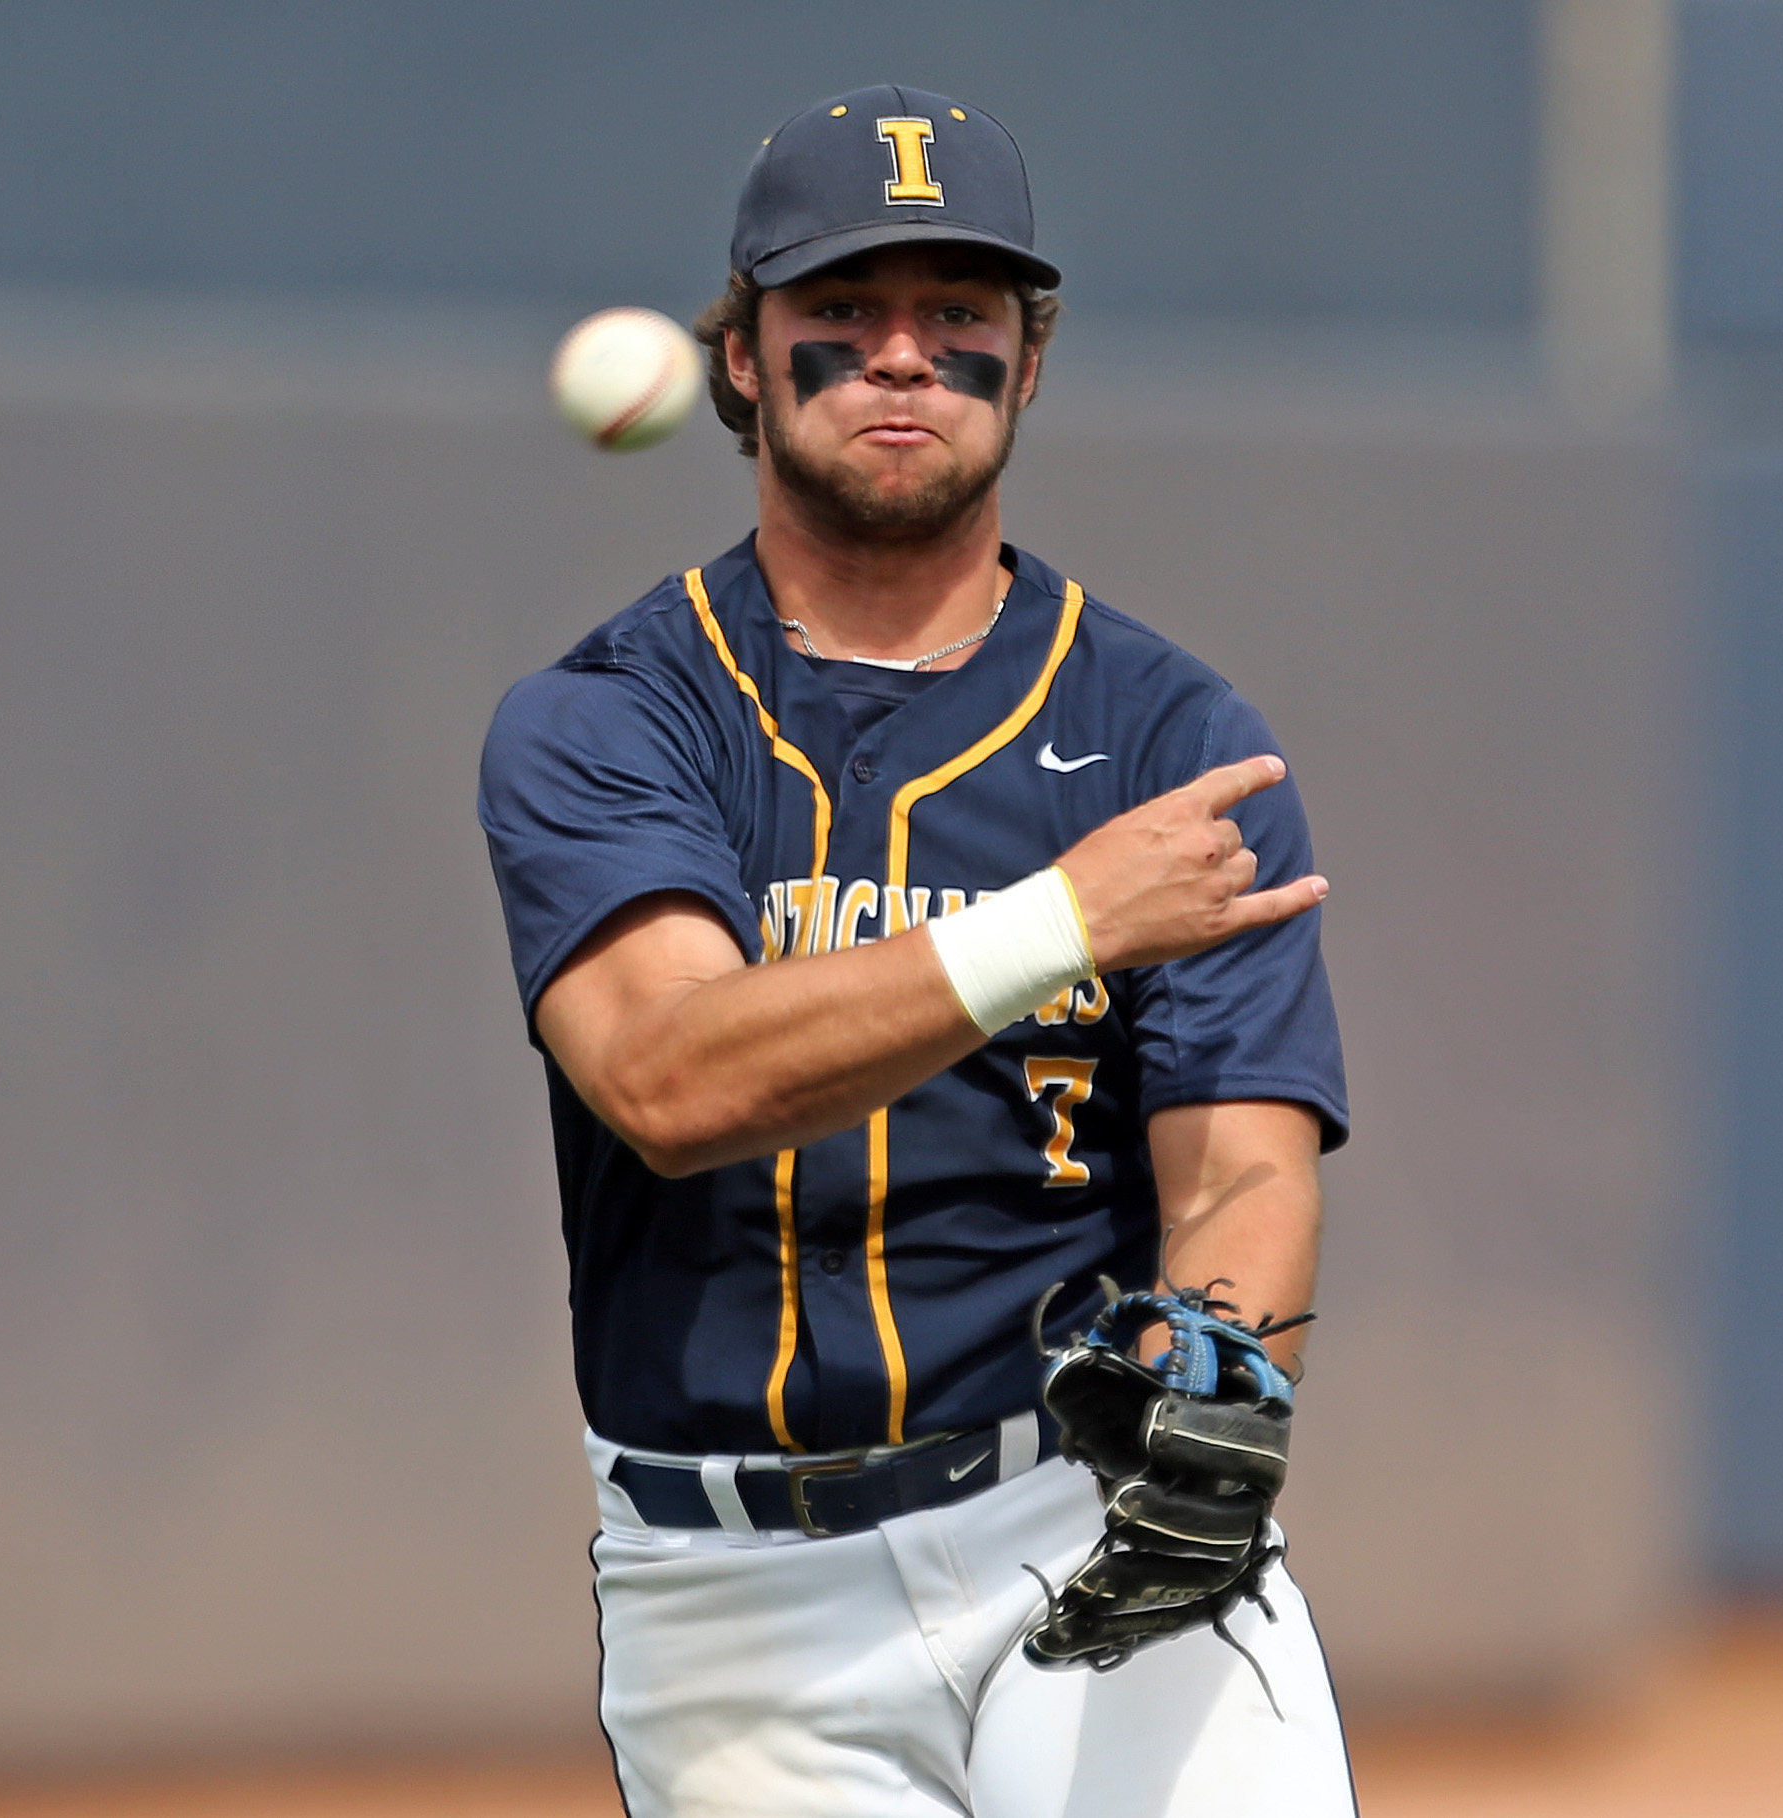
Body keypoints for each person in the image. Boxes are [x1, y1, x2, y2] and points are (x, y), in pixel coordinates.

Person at [478, 85, 1354, 1818]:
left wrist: (1224, 1367)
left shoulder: (1169, 738)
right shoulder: (604, 722)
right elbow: (670, 1076)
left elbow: (1239, 1161)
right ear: (742, 357)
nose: (900, 357)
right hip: (736, 1602)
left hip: (1077, 1524)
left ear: (1026, 368)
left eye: (956, 318)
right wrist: (1063, 922)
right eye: (841, 316)